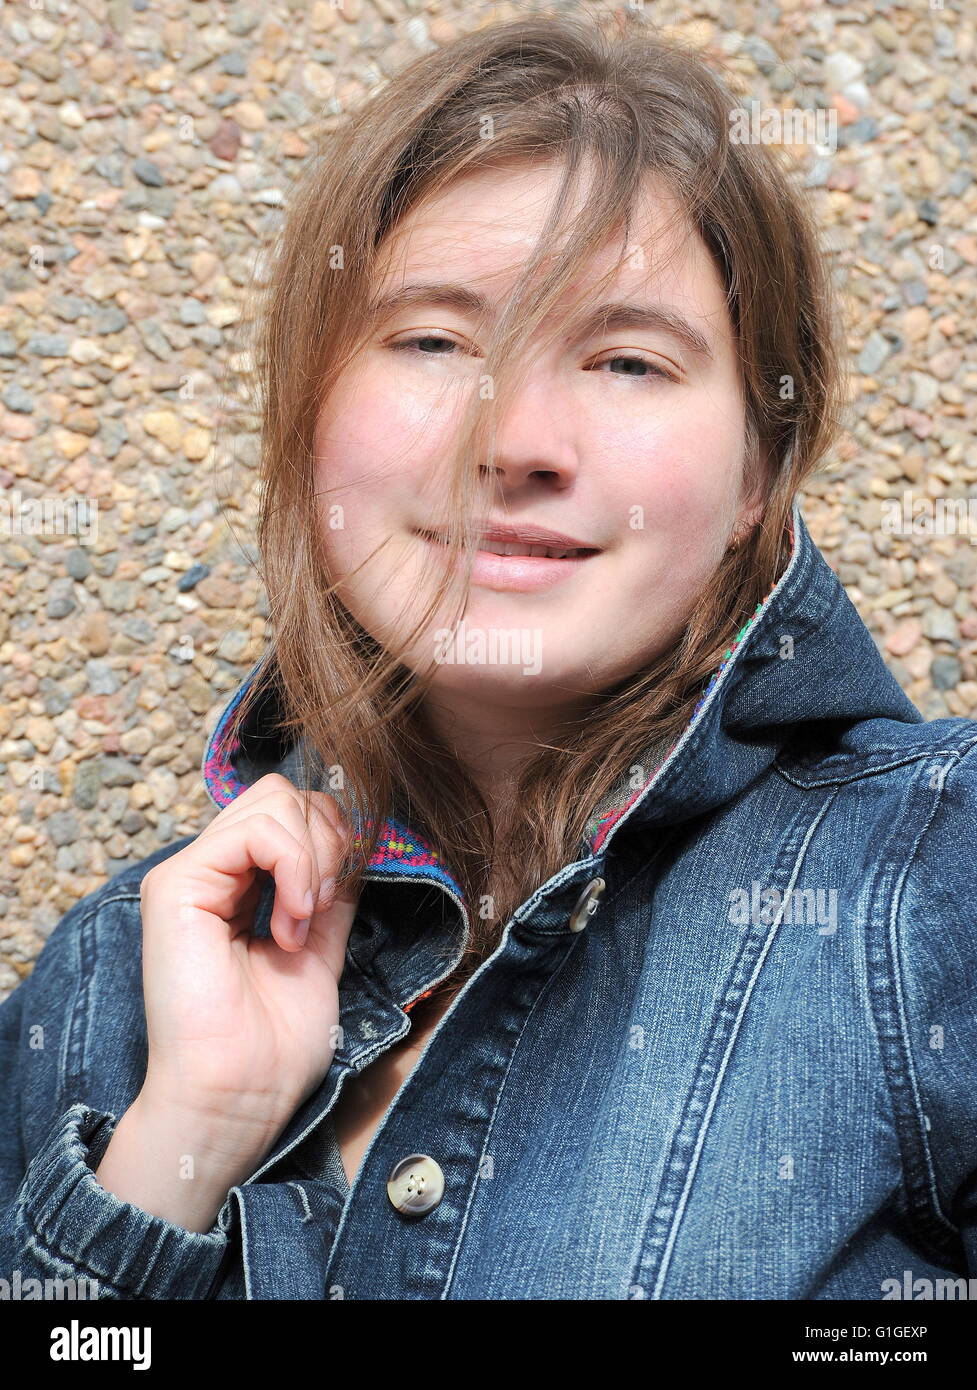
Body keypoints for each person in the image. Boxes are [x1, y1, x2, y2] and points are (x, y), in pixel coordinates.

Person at [2, 11, 976, 1302]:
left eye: (627, 357)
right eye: (431, 339)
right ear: (307, 421)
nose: (514, 435)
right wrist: (181, 1144)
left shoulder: (942, 874)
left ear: (759, 470)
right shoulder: (110, 981)